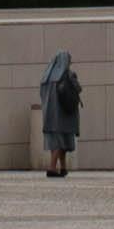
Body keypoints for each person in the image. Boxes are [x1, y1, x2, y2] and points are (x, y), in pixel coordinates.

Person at [39, 47, 82, 176]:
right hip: (64, 115)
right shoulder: (67, 75)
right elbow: (78, 89)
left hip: (49, 116)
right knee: (60, 143)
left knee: (58, 143)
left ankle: (63, 167)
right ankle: (52, 168)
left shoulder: (46, 78)